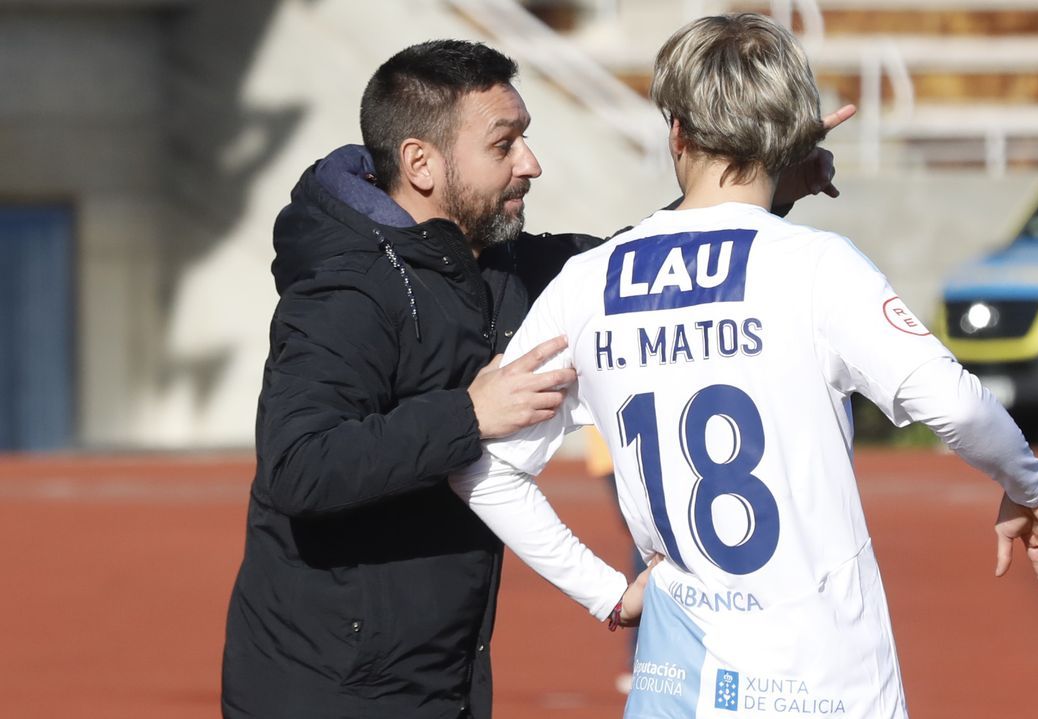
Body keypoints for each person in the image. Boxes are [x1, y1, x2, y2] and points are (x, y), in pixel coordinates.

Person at [450, 13, 1038, 719]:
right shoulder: (817, 268)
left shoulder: (589, 283)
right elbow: (957, 408)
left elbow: (486, 469)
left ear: (677, 133)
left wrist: (606, 591)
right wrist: (1029, 482)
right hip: (826, 688)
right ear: (785, 136)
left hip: (676, 687)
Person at [221, 38, 845, 719]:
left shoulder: (509, 266)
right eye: (504, 144)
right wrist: (468, 415)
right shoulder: (346, 288)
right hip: (322, 691)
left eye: (527, 138)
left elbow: (644, 262)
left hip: (441, 677)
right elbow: (298, 464)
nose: (531, 163)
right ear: (420, 163)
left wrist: (767, 183)